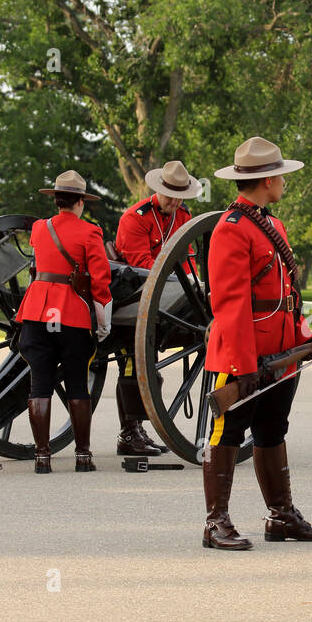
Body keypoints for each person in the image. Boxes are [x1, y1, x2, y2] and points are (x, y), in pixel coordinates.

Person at [202, 136, 312, 550]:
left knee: (273, 429)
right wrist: (243, 365)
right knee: (227, 432)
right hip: (243, 352)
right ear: (267, 179)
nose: (284, 182)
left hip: (279, 351)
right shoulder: (231, 228)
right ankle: (215, 522)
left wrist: (303, 338)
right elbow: (230, 303)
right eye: (281, 176)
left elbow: (286, 294)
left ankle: (281, 517)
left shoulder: (272, 225)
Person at [15, 170, 113, 473]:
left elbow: (38, 268)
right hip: (70, 315)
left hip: (36, 312)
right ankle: (83, 456)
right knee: (77, 385)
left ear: (56, 200)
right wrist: (102, 323)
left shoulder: (39, 228)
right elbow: (100, 281)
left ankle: (42, 456)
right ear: (80, 201)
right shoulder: (90, 233)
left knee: (40, 385)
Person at [112, 160, 201, 457]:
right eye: (169, 195)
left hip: (172, 296)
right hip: (135, 300)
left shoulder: (183, 216)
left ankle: (136, 431)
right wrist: (177, 277)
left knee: (146, 369)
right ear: (158, 189)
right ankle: (129, 432)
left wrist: (190, 283)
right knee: (134, 367)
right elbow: (139, 265)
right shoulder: (135, 218)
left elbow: (188, 257)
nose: (174, 202)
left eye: (179, 196)